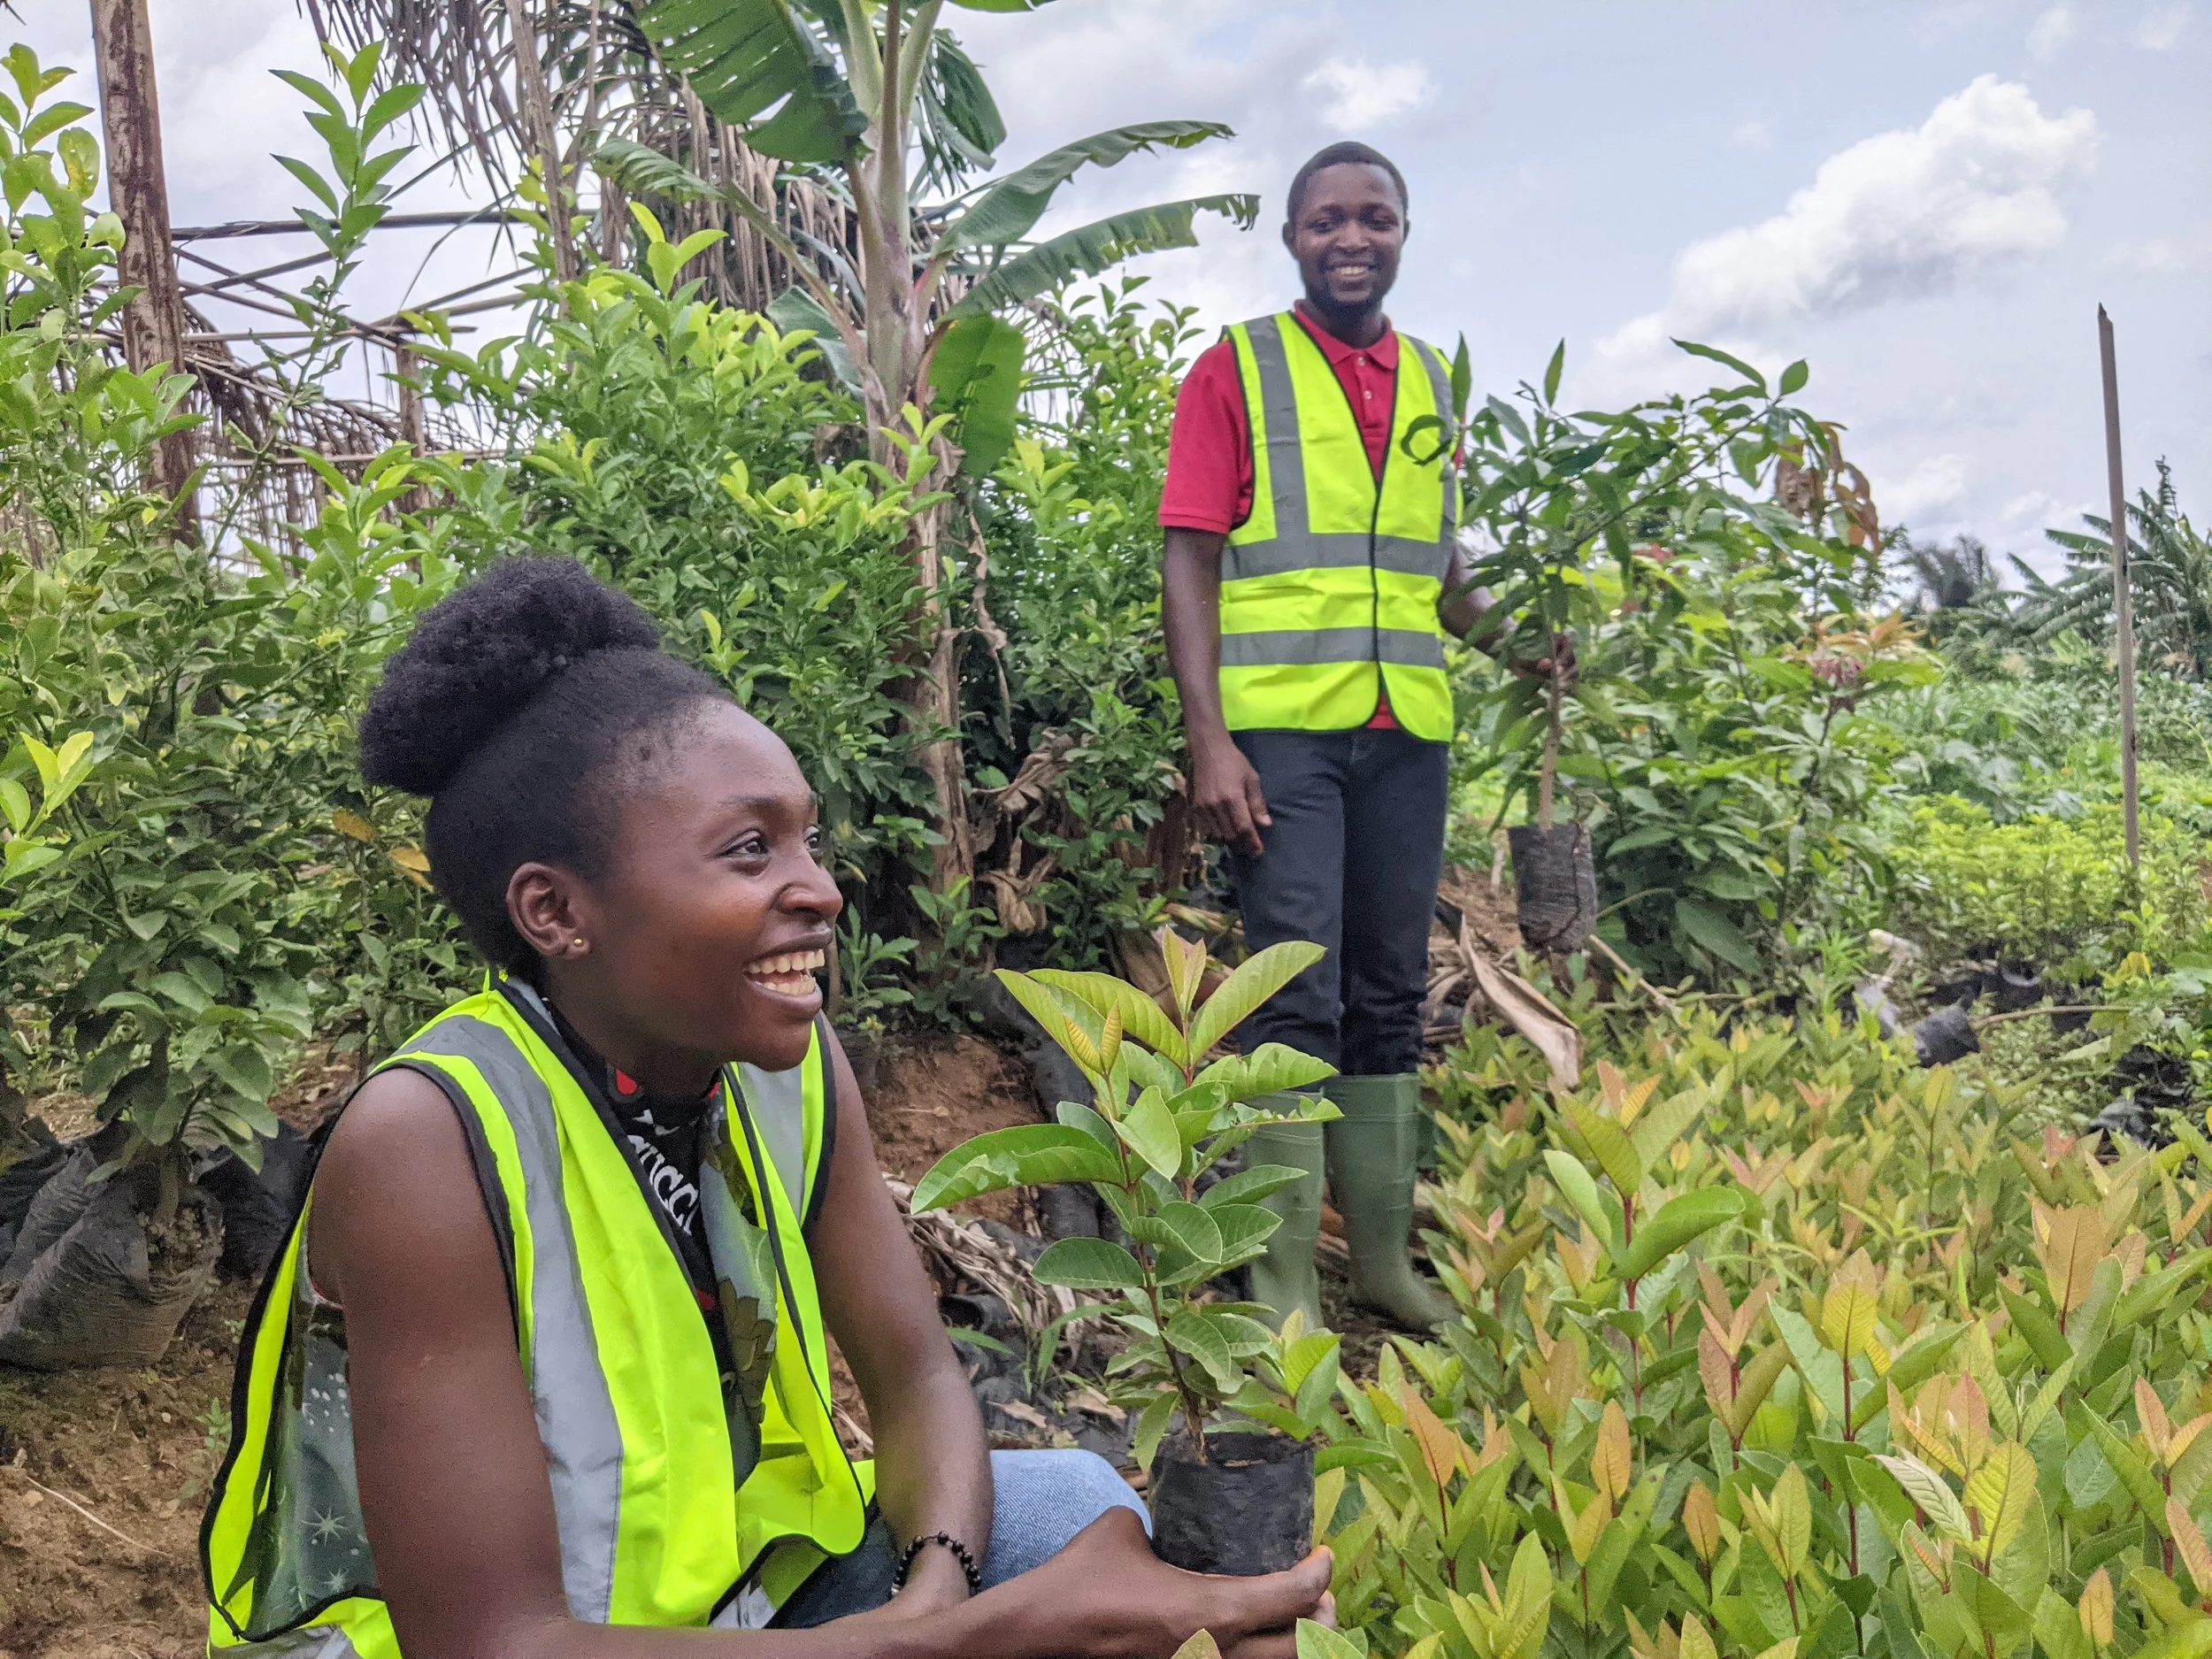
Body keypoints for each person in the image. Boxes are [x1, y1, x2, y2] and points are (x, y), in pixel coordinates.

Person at [202, 558, 1332, 1659]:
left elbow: (917, 1374)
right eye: (749, 850)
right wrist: (960, 1642)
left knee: (1072, 1502)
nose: (821, 889)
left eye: (807, 837)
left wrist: (936, 1589)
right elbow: (492, 1641)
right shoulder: (429, 1141)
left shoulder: (784, 1068)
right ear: (555, 911)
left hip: (743, 1606)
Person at [1159, 142, 1489, 1334]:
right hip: (1284, 737)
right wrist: (1211, 742)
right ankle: (1285, 1282)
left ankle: (1387, 1269)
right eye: (1327, 221)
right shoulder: (1236, 368)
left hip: (1408, 731)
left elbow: (1440, 571)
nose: (1353, 238)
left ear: (1406, 232)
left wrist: (1517, 639)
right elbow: (1189, 553)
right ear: (1292, 238)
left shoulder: (1437, 383)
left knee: (1391, 991)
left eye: (1377, 218)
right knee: (1294, 992)